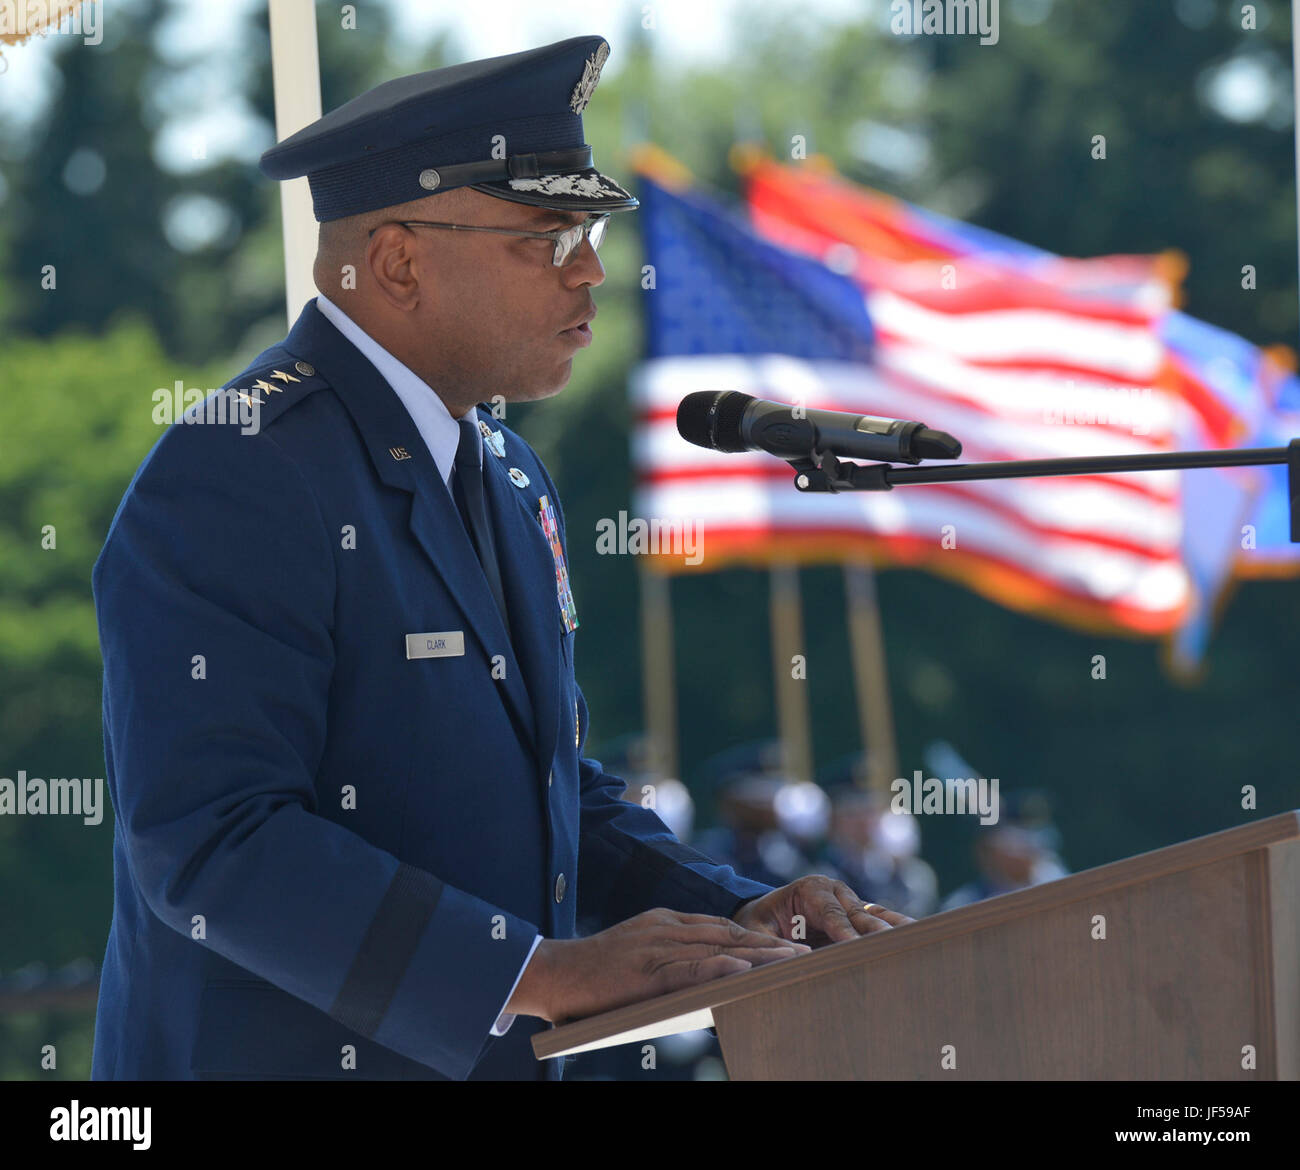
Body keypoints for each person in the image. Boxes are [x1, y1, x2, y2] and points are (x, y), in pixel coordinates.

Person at [90, 35, 911, 1082]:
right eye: (546, 237)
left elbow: (550, 787)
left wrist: (731, 908)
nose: (592, 270)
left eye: (589, 233)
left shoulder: (507, 471)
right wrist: (535, 973)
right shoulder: (238, 467)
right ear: (398, 261)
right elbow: (213, 841)